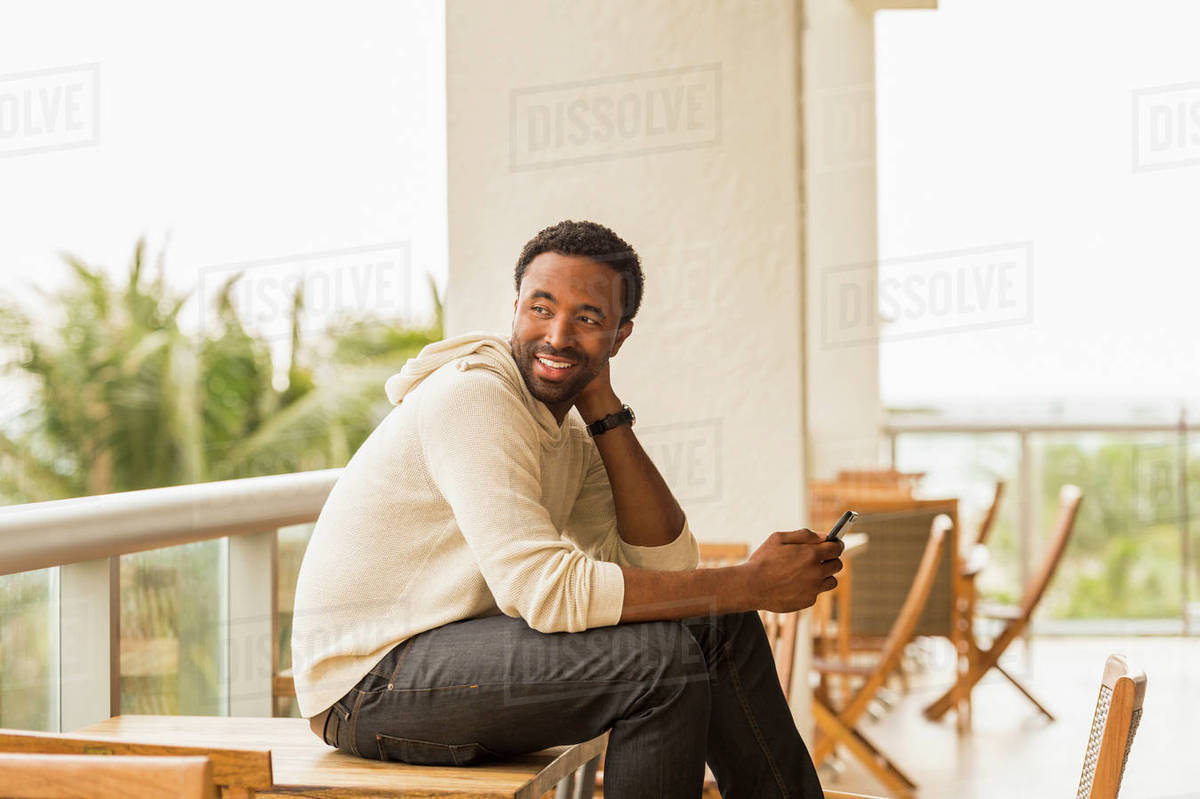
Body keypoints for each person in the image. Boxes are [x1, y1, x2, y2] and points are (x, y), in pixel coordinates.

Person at [290, 220, 844, 798]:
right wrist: (749, 583)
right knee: (661, 663)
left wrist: (604, 407)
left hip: (449, 655)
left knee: (716, 622)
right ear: (515, 309)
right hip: (366, 687)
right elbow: (541, 589)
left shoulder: (568, 428)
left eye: (587, 319)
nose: (556, 335)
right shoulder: (475, 397)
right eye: (541, 308)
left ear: (619, 337)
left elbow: (667, 569)